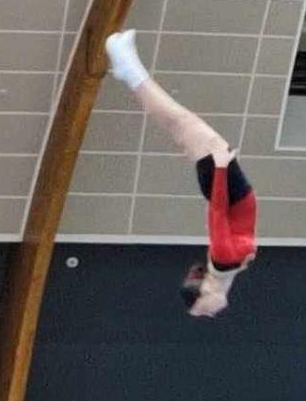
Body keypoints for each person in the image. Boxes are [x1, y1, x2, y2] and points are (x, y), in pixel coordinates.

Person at [104, 30, 257, 317]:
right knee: (179, 125)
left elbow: (217, 211)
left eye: (202, 310)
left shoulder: (225, 259)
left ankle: (129, 69)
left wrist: (222, 168)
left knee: (179, 122)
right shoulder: (229, 266)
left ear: (205, 293)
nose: (208, 314)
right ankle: (129, 69)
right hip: (227, 184)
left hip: (223, 183)